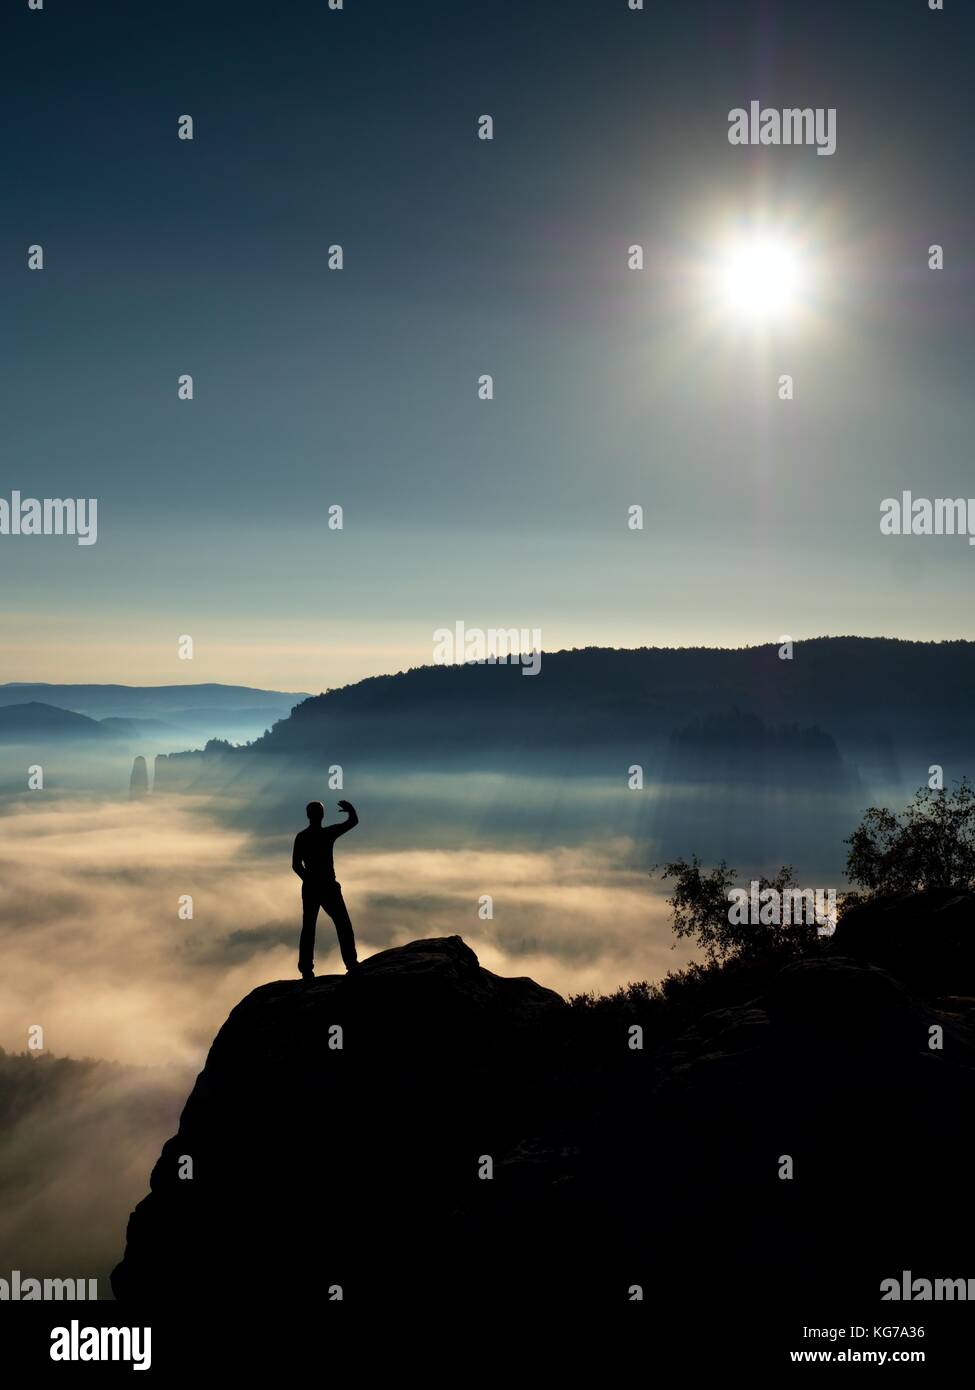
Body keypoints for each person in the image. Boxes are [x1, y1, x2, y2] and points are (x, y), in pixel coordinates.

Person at [292, 799, 359, 977]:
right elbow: (353, 822)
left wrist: (308, 879)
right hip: (326, 885)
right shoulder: (325, 833)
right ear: (320, 815)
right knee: (340, 923)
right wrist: (351, 810)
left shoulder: (304, 836)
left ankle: (307, 968)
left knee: (310, 927)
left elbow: (296, 865)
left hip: (315, 886)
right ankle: (350, 963)